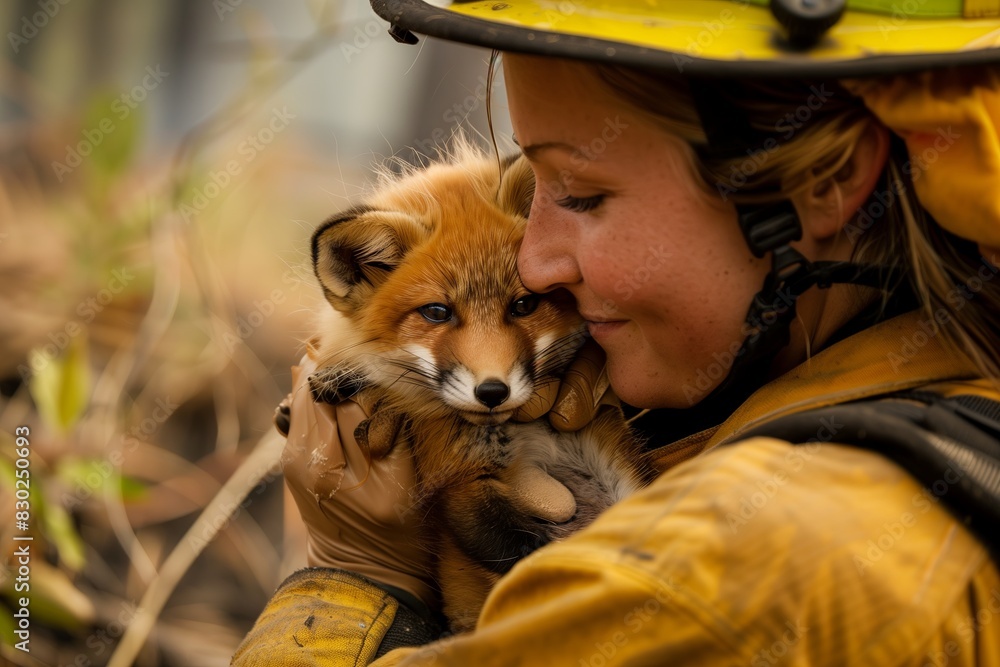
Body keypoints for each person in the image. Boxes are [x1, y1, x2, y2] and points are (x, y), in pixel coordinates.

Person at [233, 1, 1000, 665]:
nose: (532, 264)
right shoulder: (952, 406)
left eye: (580, 193)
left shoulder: (712, 579)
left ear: (821, 185)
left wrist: (357, 571)